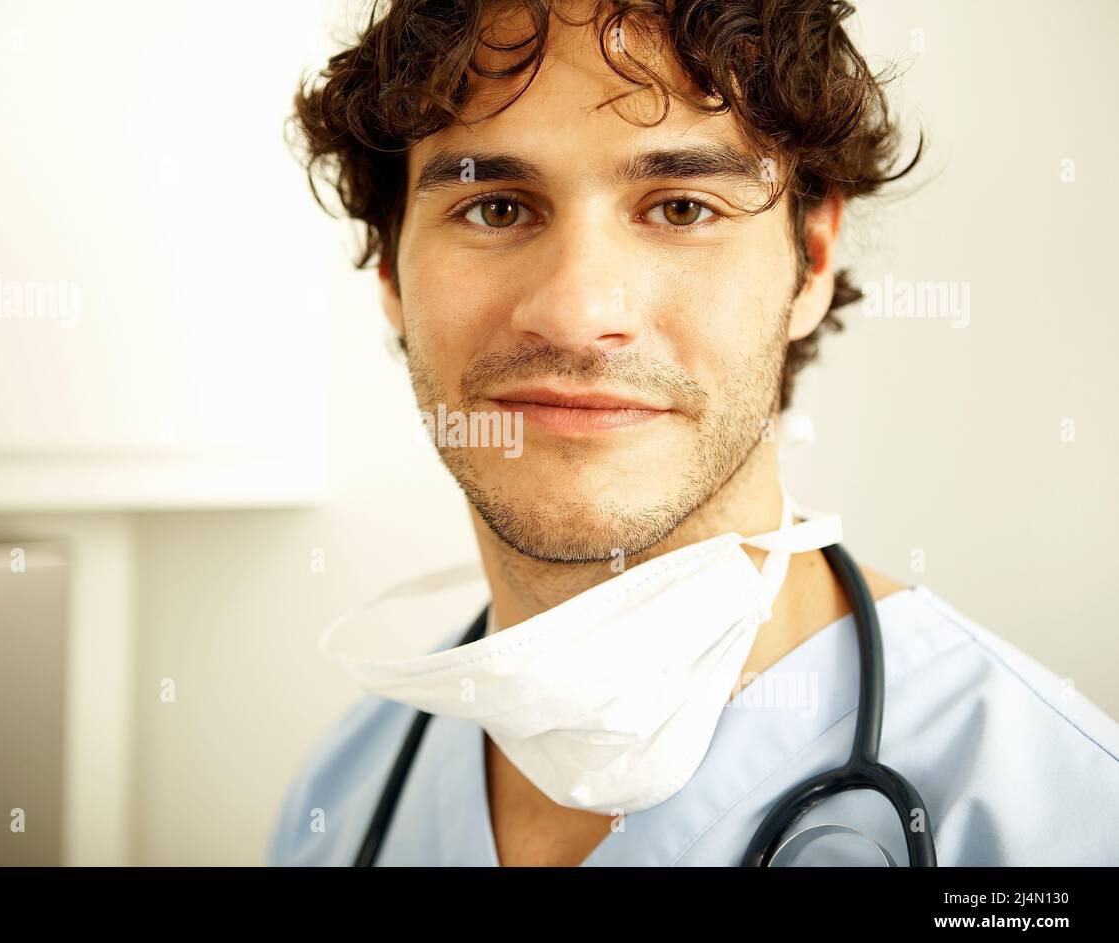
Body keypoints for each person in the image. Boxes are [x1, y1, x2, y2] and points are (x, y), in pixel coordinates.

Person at [268, 0, 1119, 866]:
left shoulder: (1052, 813)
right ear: (390, 270)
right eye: (494, 208)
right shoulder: (343, 797)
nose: (576, 313)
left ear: (812, 259)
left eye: (681, 208)